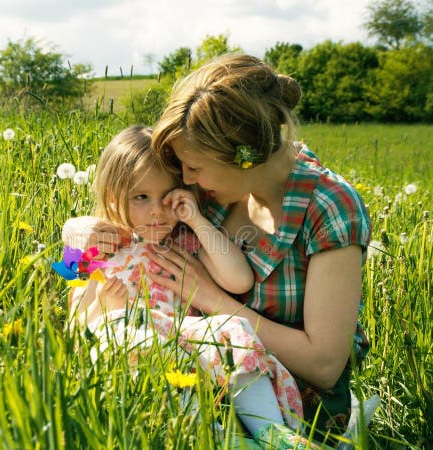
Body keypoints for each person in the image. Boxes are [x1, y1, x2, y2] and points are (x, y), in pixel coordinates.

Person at [63, 54, 371, 442]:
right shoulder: (210, 194)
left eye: (194, 167)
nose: (185, 179)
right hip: (194, 368)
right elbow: (121, 221)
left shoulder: (329, 207)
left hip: (295, 399)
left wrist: (211, 299)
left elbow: (325, 366)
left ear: (244, 156)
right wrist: (76, 233)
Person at [65, 125, 303, 436]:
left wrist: (196, 220)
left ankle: (274, 435)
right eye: (141, 197)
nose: (157, 212)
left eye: (168, 197)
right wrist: (103, 305)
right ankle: (210, 436)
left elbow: (239, 280)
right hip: (132, 353)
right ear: (112, 200)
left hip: (186, 347)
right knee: (137, 341)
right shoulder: (99, 248)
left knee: (234, 328)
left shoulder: (185, 241)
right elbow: (73, 331)